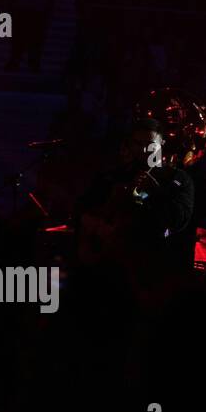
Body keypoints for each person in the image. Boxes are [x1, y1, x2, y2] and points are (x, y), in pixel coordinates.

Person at [75, 118, 195, 287]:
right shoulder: (114, 175)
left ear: (163, 143)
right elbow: (81, 210)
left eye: (151, 144)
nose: (145, 150)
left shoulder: (178, 179)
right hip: (109, 266)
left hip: (153, 268)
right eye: (138, 144)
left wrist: (155, 192)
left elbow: (179, 220)